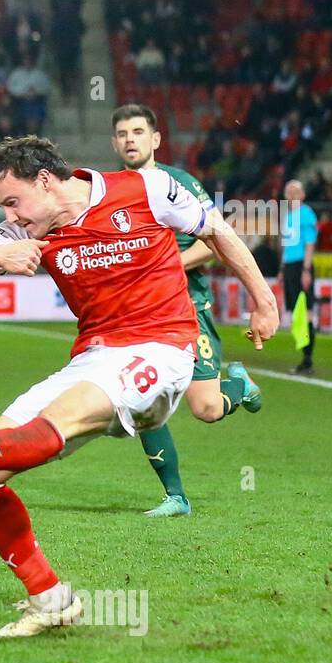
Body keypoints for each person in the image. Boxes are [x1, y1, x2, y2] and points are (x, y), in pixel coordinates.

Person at [0, 135, 277, 638]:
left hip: (161, 351)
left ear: (46, 181)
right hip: (94, 356)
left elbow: (220, 233)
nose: (10, 213)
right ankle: (50, 599)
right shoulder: (21, 230)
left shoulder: (148, 188)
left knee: (53, 422)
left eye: (13, 200)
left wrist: (264, 301)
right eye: (3, 207)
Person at [110, 104, 263, 518]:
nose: (130, 139)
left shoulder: (178, 184)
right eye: (123, 133)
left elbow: (214, 241)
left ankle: (241, 387)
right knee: (141, 400)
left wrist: (168, 263)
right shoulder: (110, 192)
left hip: (186, 306)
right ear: (114, 142)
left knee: (207, 409)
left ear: (155, 139)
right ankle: (175, 497)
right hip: (138, 315)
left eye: (138, 132)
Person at [280, 178, 318, 374]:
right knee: (297, 312)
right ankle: (305, 356)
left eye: (296, 192)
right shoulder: (288, 216)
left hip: (301, 265)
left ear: (302, 195)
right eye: (289, 192)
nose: (292, 195)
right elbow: (286, 245)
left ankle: (308, 359)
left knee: (306, 311)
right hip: (290, 267)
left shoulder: (306, 214)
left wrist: (306, 269)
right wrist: (282, 268)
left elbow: (310, 243)